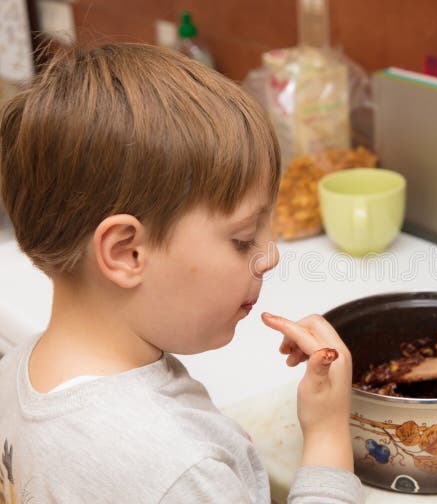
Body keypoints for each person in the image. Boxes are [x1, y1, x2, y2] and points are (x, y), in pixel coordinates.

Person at [0, 43, 363, 503]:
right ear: (127, 253)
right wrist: (328, 435)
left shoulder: (16, 375)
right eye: (243, 238)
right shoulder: (177, 469)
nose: (269, 256)